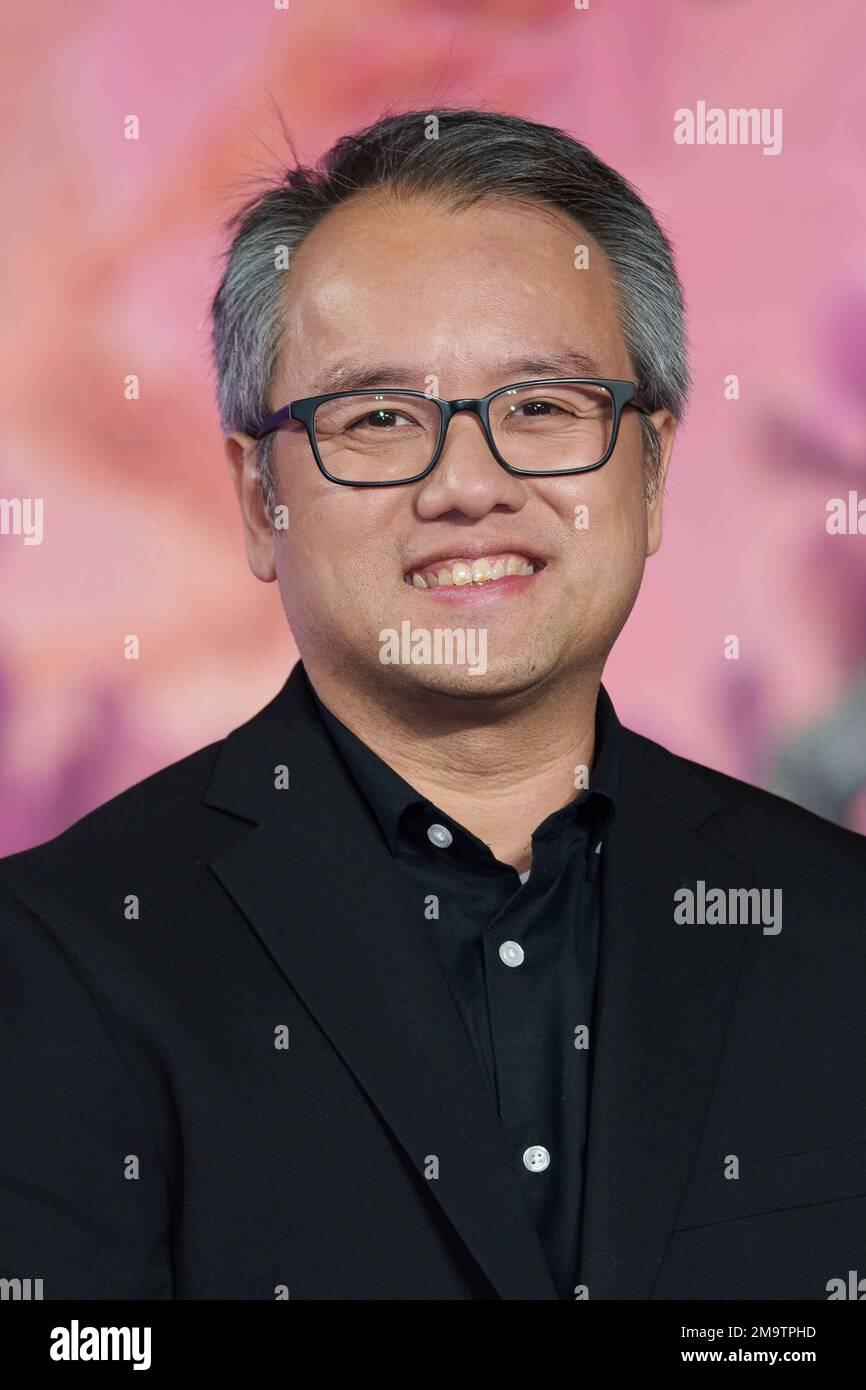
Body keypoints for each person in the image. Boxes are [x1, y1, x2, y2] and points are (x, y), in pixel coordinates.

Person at [2, 107, 865, 1302]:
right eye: (378, 421)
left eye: (541, 409)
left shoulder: (834, 925)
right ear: (262, 497)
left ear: (651, 471)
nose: (467, 484)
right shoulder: (58, 957)